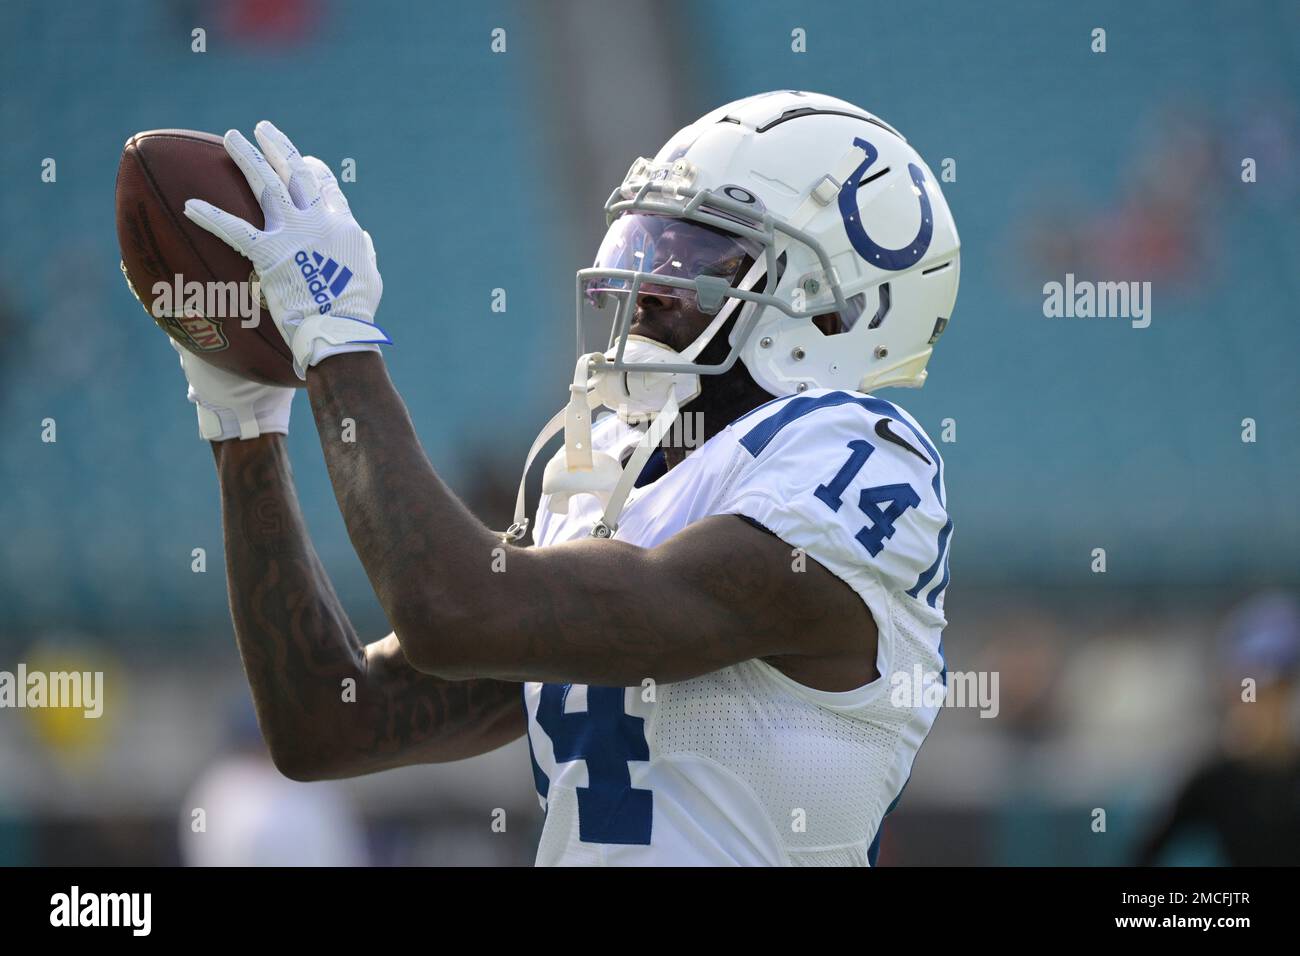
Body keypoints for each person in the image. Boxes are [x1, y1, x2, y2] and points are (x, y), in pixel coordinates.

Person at [171, 90, 960, 866]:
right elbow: (327, 723)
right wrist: (246, 430)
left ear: (836, 311)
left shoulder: (861, 455)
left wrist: (337, 339)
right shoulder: (604, 472)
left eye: (698, 260)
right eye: (650, 244)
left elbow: (453, 610)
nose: (648, 284)